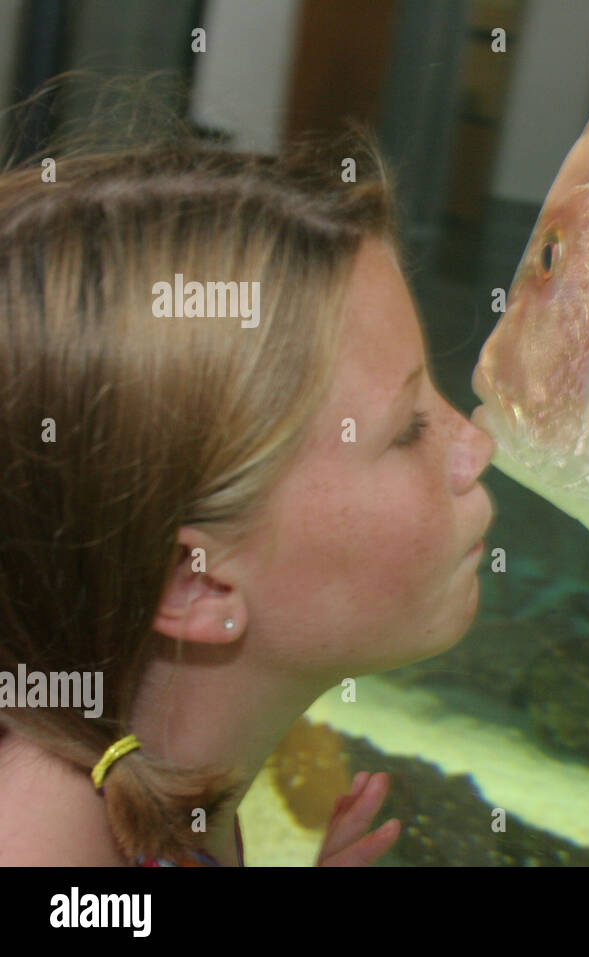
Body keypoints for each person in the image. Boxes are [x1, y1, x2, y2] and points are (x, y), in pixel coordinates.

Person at [0, 137, 495, 865]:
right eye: (407, 427)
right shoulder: (46, 846)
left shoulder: (141, 778)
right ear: (194, 581)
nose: (474, 445)